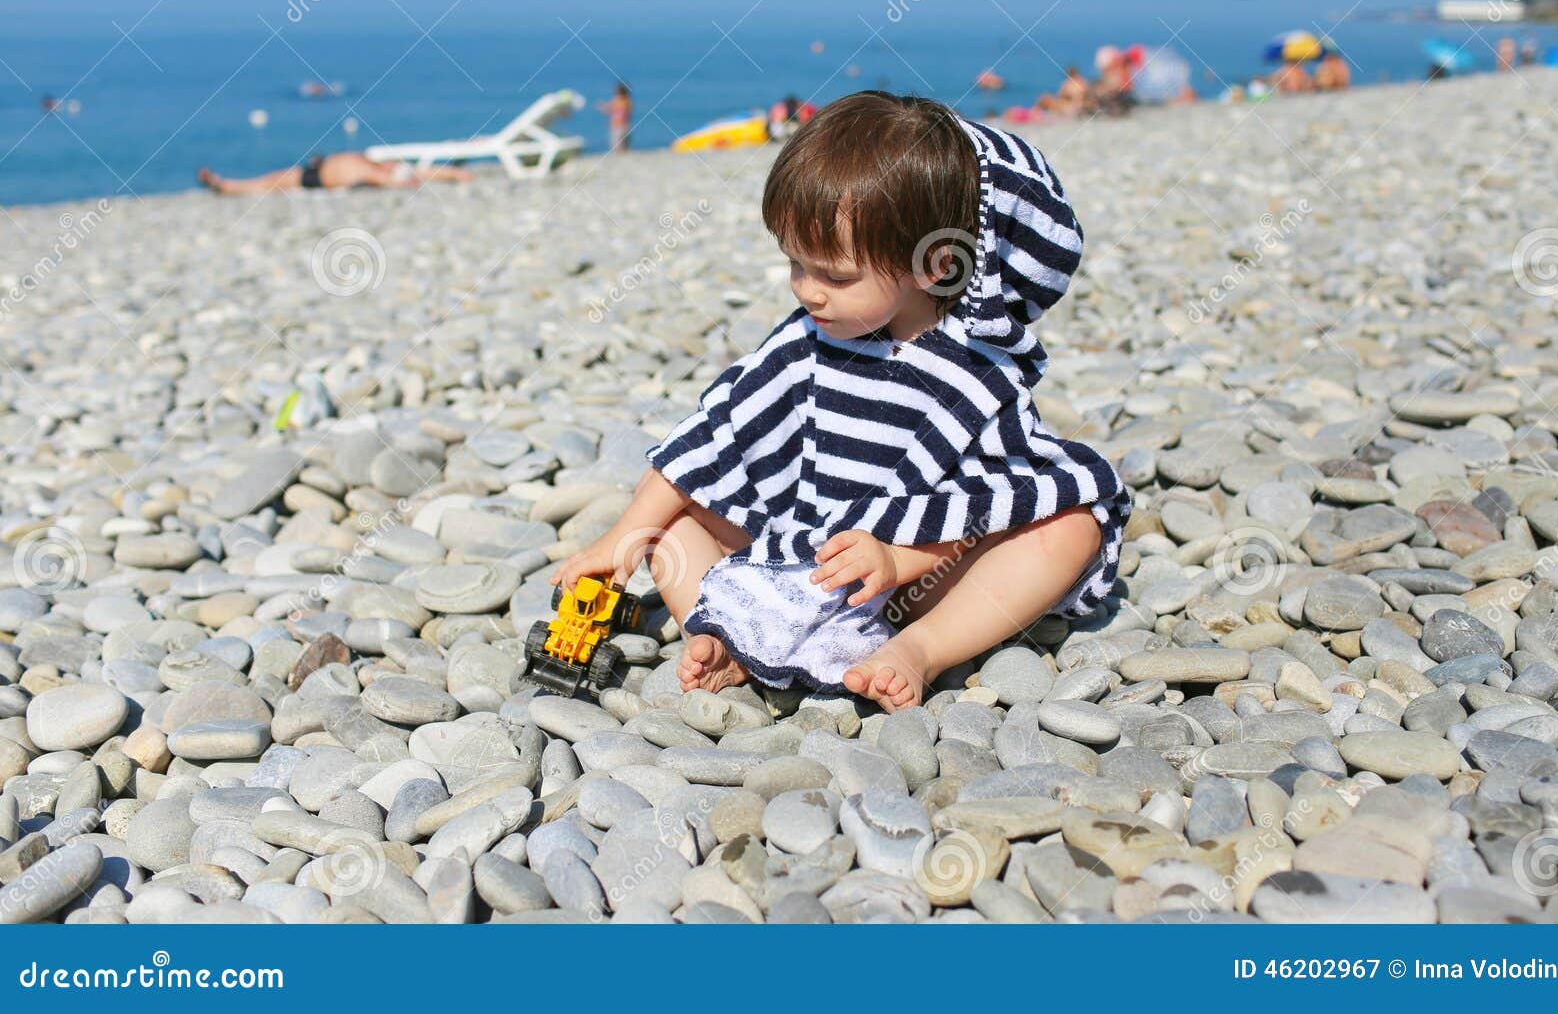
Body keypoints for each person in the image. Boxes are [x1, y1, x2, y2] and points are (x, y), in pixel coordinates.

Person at [550, 91, 1129, 711]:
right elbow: (716, 433)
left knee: (1071, 526)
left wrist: (899, 559)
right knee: (669, 529)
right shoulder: (805, 340)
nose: (807, 292)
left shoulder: (975, 374)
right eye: (795, 265)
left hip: (918, 579)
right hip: (801, 547)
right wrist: (622, 536)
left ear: (936, 265)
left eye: (835, 276)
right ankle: (728, 638)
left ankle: (920, 650)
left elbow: (986, 499)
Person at [197, 152, 470, 194]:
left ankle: (228, 186)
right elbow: (427, 171)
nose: (391, 161)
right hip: (316, 169)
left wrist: (404, 180)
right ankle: (227, 185)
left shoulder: (374, 173)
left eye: (394, 164)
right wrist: (455, 175)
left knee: (269, 183)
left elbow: (413, 177)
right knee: (271, 181)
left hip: (315, 178)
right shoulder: (370, 163)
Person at [600, 81, 632, 152]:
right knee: (625, 148)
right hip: (626, 126)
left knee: (617, 148)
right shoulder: (628, 100)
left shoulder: (619, 100)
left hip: (618, 127)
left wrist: (603, 106)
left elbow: (611, 109)